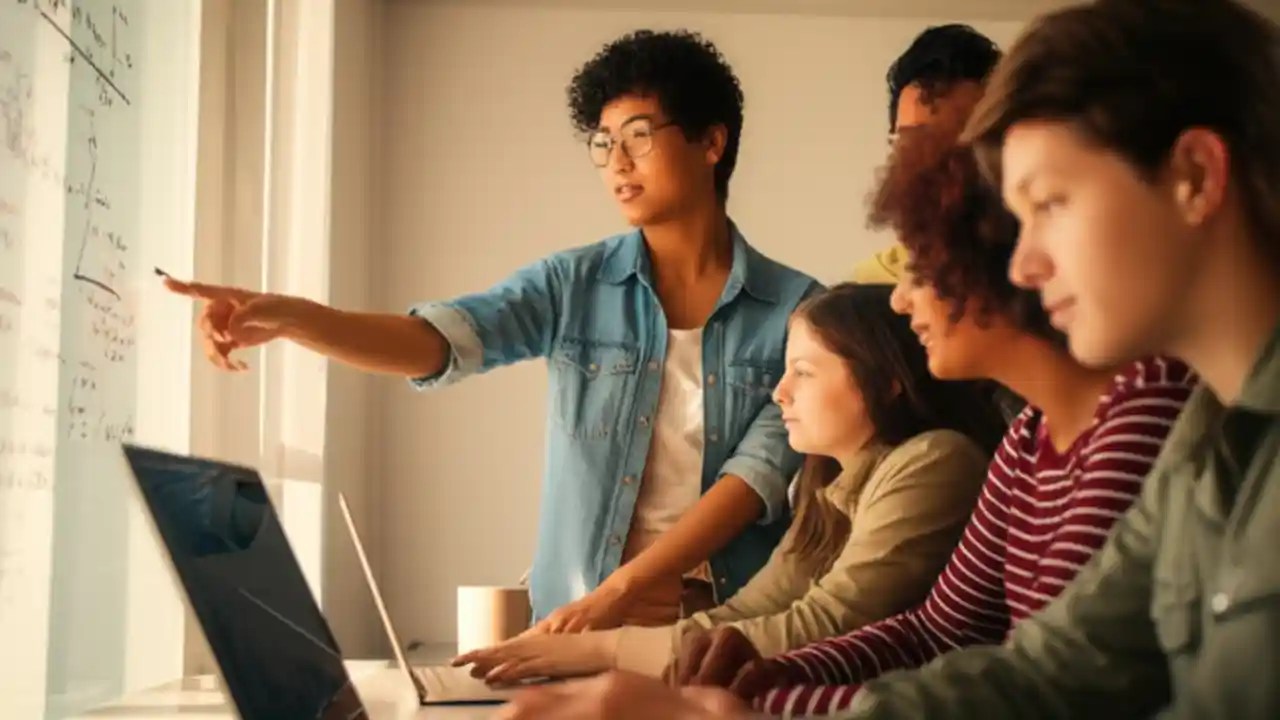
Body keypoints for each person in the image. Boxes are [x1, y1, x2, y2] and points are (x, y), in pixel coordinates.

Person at [164, 30, 822, 630]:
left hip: (728, 627)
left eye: (639, 135)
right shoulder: (573, 285)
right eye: (602, 141)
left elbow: (754, 480)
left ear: (712, 142)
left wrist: (632, 587)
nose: (617, 162)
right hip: (582, 627)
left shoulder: (799, 311)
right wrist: (292, 317)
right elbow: (443, 341)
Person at [451, 284, 1004, 685]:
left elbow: (822, 627)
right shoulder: (831, 484)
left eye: (804, 373)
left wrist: (598, 651)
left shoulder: (936, 462)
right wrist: (578, 651)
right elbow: (748, 613)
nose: (780, 393)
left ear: (885, 381)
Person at [851, 23, 1001, 285]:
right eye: (915, 141)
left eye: (960, 141)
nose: (937, 161)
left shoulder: (1042, 277)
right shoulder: (870, 290)